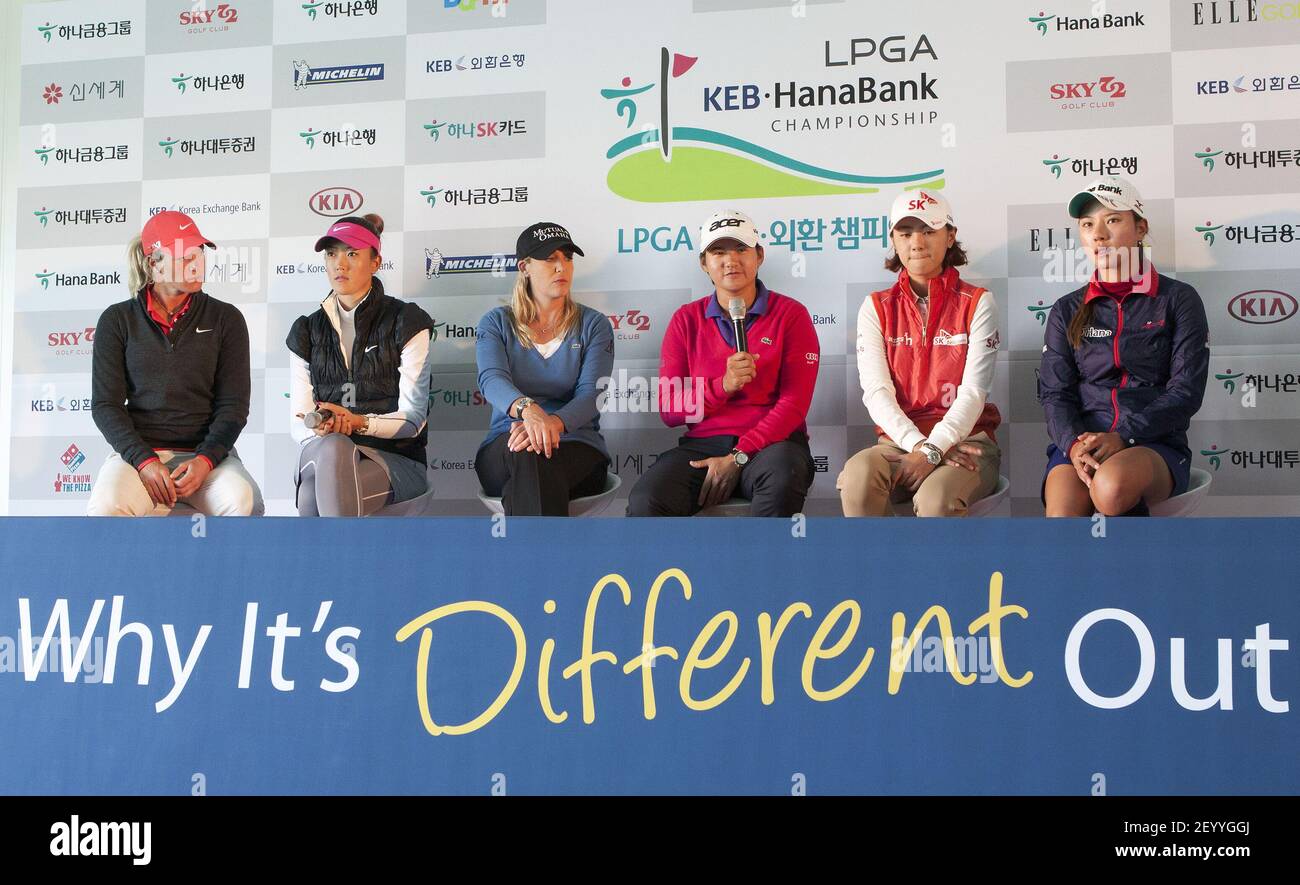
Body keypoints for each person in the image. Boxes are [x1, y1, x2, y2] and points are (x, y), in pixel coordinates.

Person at [626, 210, 819, 517]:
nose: (731, 260)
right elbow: (670, 410)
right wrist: (722, 386)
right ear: (704, 263)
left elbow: (794, 405)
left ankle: (765, 566)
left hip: (774, 446)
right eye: (718, 252)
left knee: (783, 476)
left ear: (759, 256)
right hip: (703, 445)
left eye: (741, 249)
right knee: (648, 499)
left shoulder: (791, 314)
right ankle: (673, 568)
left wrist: (739, 455)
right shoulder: (686, 319)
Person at [1038, 176, 1209, 516]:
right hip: (1082, 442)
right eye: (1088, 225)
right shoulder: (1066, 309)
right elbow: (1055, 393)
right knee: (1062, 514)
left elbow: (1185, 392)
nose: (1098, 234)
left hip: (1153, 442)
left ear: (1140, 228)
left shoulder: (1178, 299)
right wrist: (1073, 445)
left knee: (1111, 487)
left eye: (1112, 220)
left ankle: (1133, 569)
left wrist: (1124, 436)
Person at [838, 190, 1002, 517]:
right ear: (894, 240)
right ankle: (883, 569)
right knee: (857, 477)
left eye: (929, 230)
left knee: (936, 501)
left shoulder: (978, 301)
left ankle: (936, 571)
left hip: (965, 442)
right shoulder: (875, 306)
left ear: (950, 236)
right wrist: (919, 447)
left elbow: (972, 393)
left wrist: (935, 448)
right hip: (899, 442)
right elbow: (876, 392)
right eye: (906, 232)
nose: (917, 241)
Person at [88, 211, 262, 516]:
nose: (196, 264)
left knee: (241, 500)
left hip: (207, 458)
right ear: (154, 263)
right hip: (139, 459)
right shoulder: (117, 320)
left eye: (198, 253)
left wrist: (205, 460)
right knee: (106, 508)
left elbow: (233, 406)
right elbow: (106, 405)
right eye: (184, 257)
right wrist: (144, 462)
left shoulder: (226, 319)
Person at [286, 214, 435, 516]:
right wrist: (325, 426)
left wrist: (358, 422)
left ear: (375, 262)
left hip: (394, 458)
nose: (339, 264)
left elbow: (414, 420)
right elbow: (297, 423)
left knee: (315, 494)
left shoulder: (406, 321)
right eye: (332, 254)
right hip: (323, 453)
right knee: (334, 447)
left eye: (352, 253)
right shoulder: (306, 330)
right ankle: (347, 561)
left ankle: (328, 562)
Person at [475, 223, 614, 516]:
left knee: (532, 462)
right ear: (524, 267)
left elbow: (591, 395)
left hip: (577, 445)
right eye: (550, 259)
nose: (561, 267)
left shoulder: (594, 325)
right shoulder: (496, 322)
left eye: (567, 258)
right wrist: (530, 411)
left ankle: (529, 559)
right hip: (507, 442)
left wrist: (551, 424)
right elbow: (491, 379)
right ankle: (550, 558)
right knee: (528, 455)